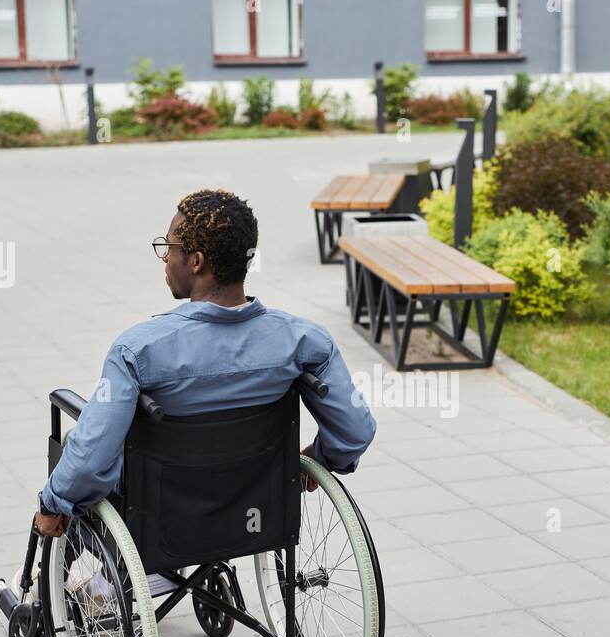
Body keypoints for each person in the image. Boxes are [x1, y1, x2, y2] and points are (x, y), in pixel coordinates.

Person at [33, 189, 376, 538]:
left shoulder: (137, 350)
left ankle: (103, 581)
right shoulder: (305, 341)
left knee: (80, 441)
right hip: (255, 507)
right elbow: (355, 431)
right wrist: (316, 459)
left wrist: (52, 502)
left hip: (160, 516)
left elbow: (92, 457)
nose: (165, 259)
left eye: (169, 249)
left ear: (196, 261)